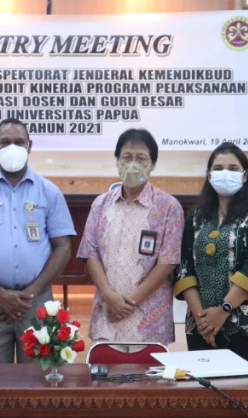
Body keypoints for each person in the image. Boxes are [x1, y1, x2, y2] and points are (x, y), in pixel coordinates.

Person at [0, 119, 75, 363]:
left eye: (19, 142)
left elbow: (63, 247)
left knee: (36, 377)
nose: (12, 148)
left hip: (37, 298)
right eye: (5, 142)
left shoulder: (48, 192)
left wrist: (29, 294)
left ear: (30, 146)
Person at [173, 142, 248, 364]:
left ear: (244, 175)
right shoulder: (196, 215)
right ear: (209, 174)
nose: (225, 173)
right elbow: (184, 269)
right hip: (201, 326)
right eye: (219, 168)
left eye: (233, 168)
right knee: (206, 396)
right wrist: (203, 320)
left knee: (246, 397)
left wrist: (222, 311)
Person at [78, 129, 184, 345]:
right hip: (107, 315)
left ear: (152, 164)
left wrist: (129, 302)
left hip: (149, 319)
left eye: (141, 158)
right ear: (117, 161)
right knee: (103, 377)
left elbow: (168, 262)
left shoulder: (168, 207)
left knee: (148, 379)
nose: (132, 163)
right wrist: (109, 296)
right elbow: (90, 254)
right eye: (127, 157)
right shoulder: (100, 204)